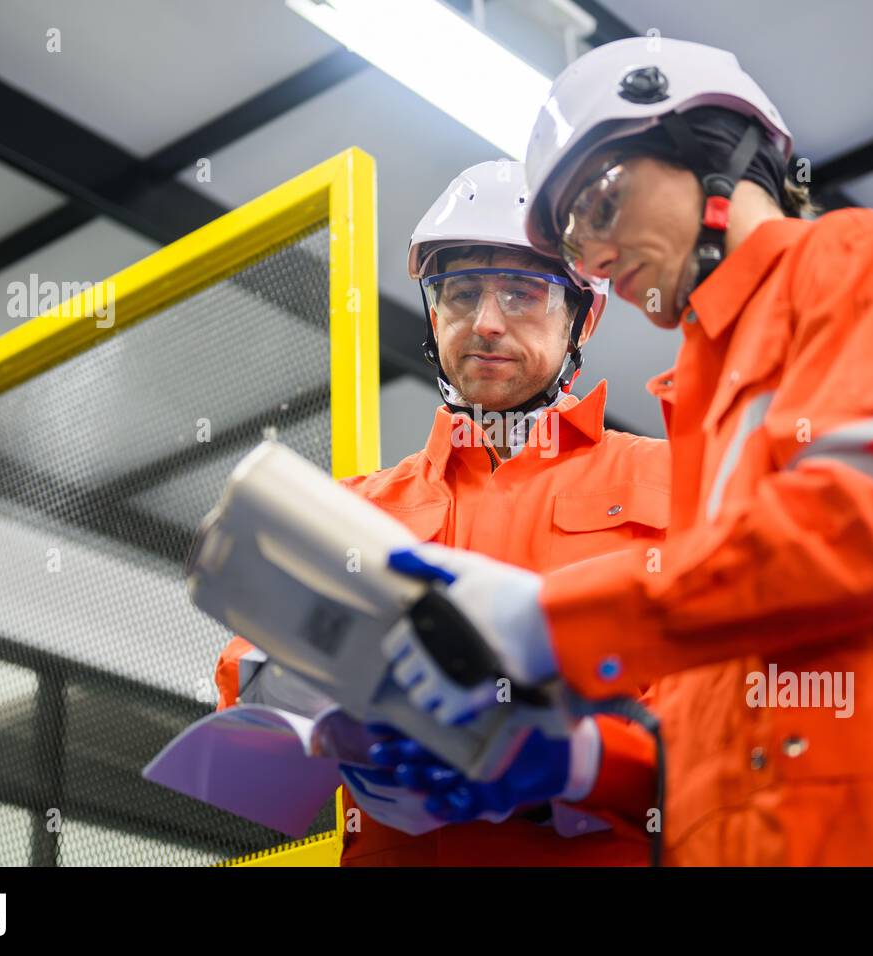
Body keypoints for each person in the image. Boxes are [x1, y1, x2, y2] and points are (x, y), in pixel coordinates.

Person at [379, 39, 873, 866]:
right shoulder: (702, 408)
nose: (598, 259)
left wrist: (554, 620)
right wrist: (581, 763)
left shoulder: (866, 265)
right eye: (576, 243)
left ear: (713, 146)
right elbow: (715, 694)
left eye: (601, 206)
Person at [214, 160, 668, 866]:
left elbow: (729, 727)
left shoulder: (676, 486)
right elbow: (245, 734)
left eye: (522, 293)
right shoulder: (353, 510)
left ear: (584, 314)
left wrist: (577, 769)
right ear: (434, 312)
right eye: (460, 293)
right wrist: (328, 727)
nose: (486, 323)